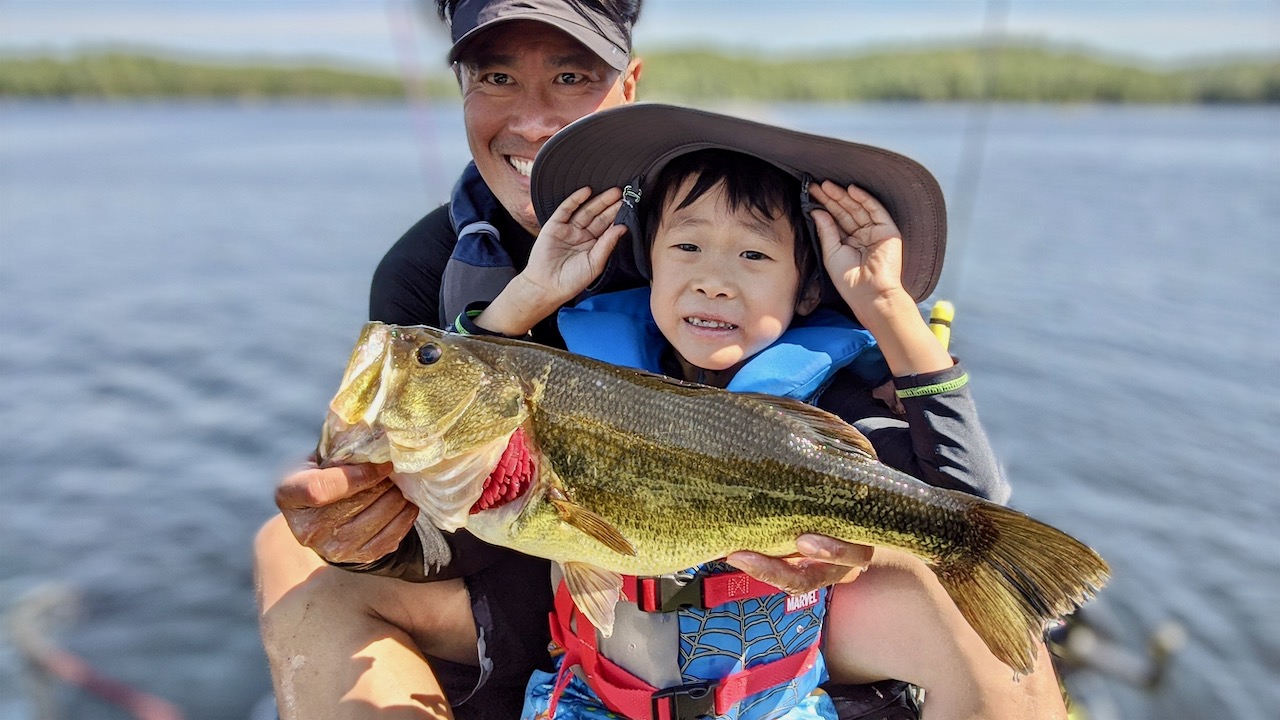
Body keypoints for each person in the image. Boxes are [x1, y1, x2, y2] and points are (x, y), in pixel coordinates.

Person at [254, 3, 871, 719]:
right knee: (284, 546)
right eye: (497, 76)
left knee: (935, 590)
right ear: (461, 87)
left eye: (572, 75)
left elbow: (872, 453)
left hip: (770, 614)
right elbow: (451, 527)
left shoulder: (710, 239)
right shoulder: (422, 272)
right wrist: (370, 528)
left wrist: (854, 540)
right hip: (548, 595)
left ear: (630, 84)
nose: (534, 120)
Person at [466, 103, 1070, 719]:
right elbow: (462, 407)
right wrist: (526, 299)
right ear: (648, 267)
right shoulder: (582, 383)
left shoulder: (829, 414)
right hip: (590, 700)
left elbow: (972, 505)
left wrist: (887, 307)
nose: (714, 280)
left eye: (753, 256)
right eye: (688, 245)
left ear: (807, 288)